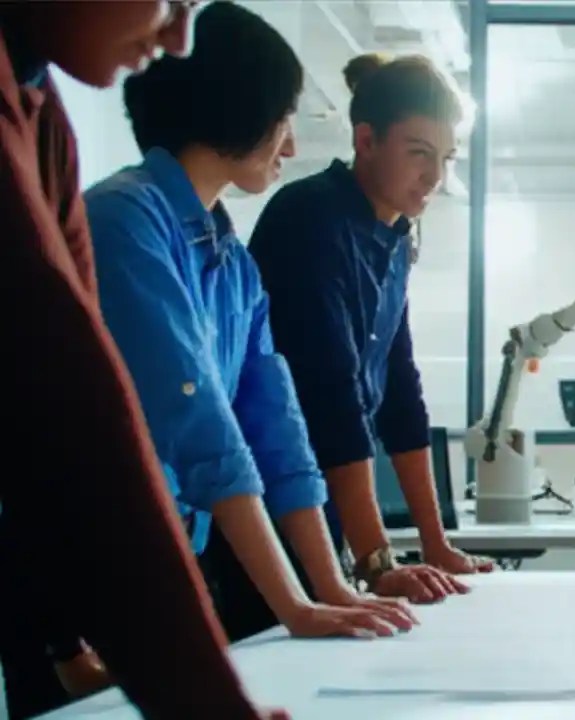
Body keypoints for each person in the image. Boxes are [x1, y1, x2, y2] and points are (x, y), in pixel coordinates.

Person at [83, 0, 417, 646]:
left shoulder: (234, 265)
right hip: (83, 569)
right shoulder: (124, 222)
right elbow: (201, 423)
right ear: (234, 106)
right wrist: (296, 606)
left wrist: (334, 590)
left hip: (169, 564)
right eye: (285, 119)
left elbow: (279, 437)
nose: (290, 144)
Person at [0, 1, 285, 719]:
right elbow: (79, 407)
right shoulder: (127, 215)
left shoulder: (44, 116)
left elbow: (75, 425)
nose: (178, 37)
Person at [248, 53, 491, 604]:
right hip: (268, 503)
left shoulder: (396, 235)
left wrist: (436, 544)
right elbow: (334, 399)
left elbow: (399, 392)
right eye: (419, 154)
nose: (435, 176)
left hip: (327, 506)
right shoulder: (312, 219)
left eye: (446, 158)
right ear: (365, 141)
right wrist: (378, 562)